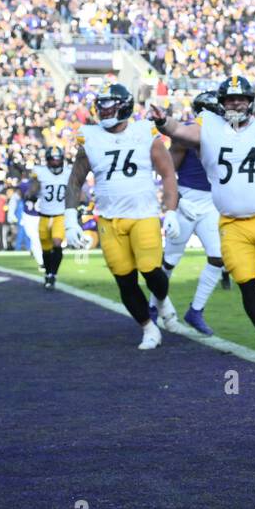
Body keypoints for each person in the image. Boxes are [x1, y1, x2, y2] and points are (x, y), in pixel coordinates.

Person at [154, 75, 255, 363]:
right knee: (246, 281)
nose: (236, 103)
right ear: (221, 103)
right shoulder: (209, 125)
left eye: (240, 98)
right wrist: (162, 122)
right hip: (231, 223)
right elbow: (179, 132)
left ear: (251, 102)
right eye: (230, 99)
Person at [64, 82, 180, 350]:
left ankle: (161, 301)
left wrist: (170, 210)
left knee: (151, 272)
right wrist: (71, 218)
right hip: (108, 218)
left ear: (125, 106)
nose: (104, 112)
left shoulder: (145, 131)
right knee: (124, 278)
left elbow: (167, 173)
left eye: (110, 106)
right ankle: (149, 328)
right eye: (101, 107)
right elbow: (75, 181)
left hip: (144, 215)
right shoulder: (90, 136)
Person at [158, 91, 226, 336]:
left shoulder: (228, 135)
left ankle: (195, 310)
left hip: (212, 202)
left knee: (218, 257)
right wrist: (174, 205)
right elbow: (167, 173)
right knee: (169, 261)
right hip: (187, 198)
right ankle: (154, 306)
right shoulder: (186, 135)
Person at [26, 145, 71, 290]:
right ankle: (47, 273)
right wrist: (31, 195)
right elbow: (34, 187)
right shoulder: (40, 172)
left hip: (60, 215)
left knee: (57, 243)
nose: (55, 162)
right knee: (45, 248)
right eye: (52, 159)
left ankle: (53, 275)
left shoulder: (68, 172)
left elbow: (75, 189)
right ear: (47, 160)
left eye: (58, 159)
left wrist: (81, 201)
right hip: (44, 215)